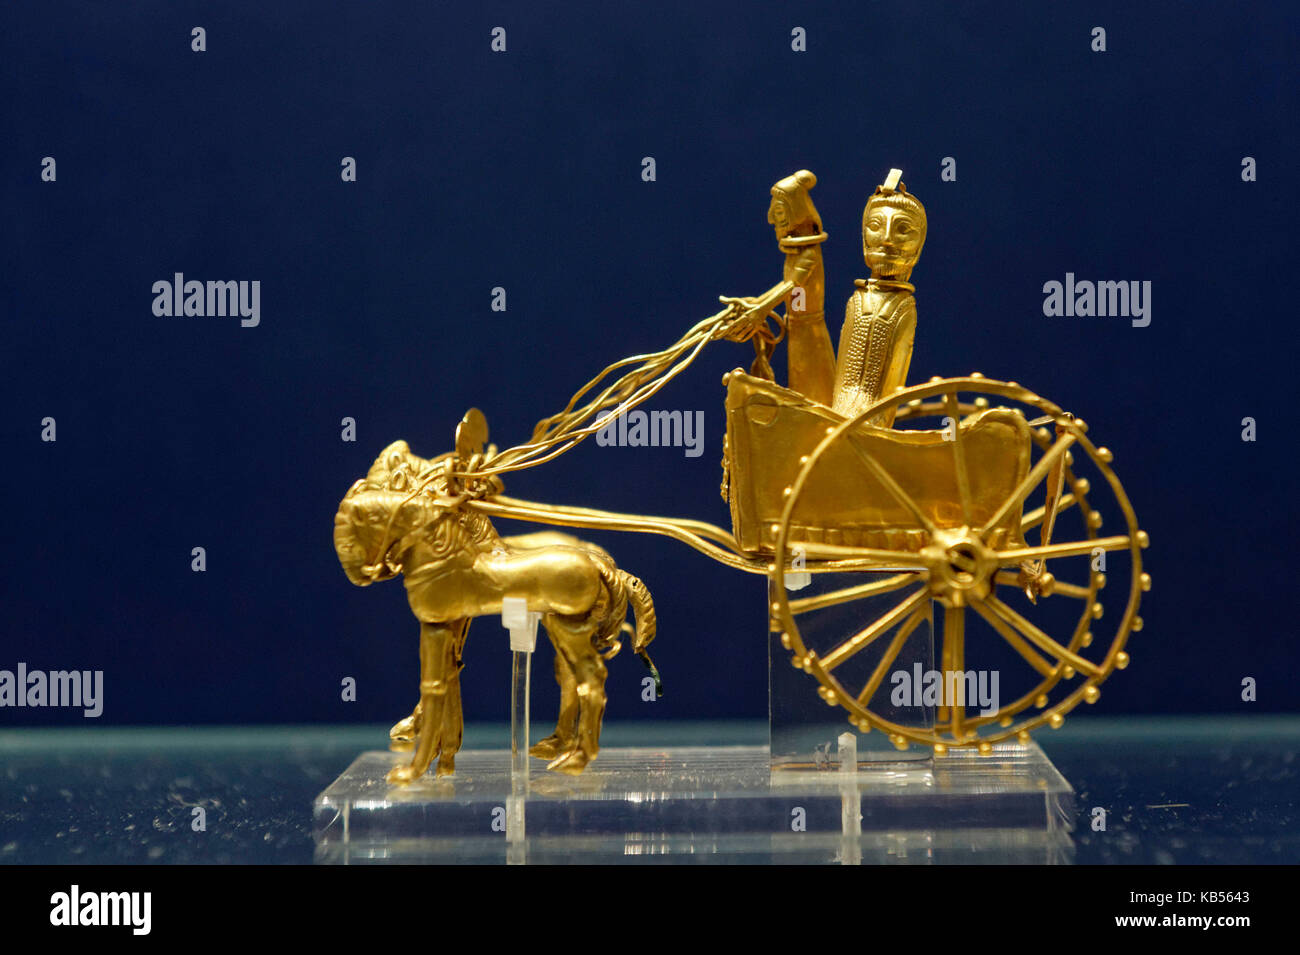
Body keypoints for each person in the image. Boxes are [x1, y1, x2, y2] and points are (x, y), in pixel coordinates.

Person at [831, 171, 926, 425]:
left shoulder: (903, 307)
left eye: (902, 229)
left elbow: (885, 389)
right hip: (838, 417)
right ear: (864, 237)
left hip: (865, 424)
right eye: (875, 226)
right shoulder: (858, 299)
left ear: (919, 244)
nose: (885, 239)